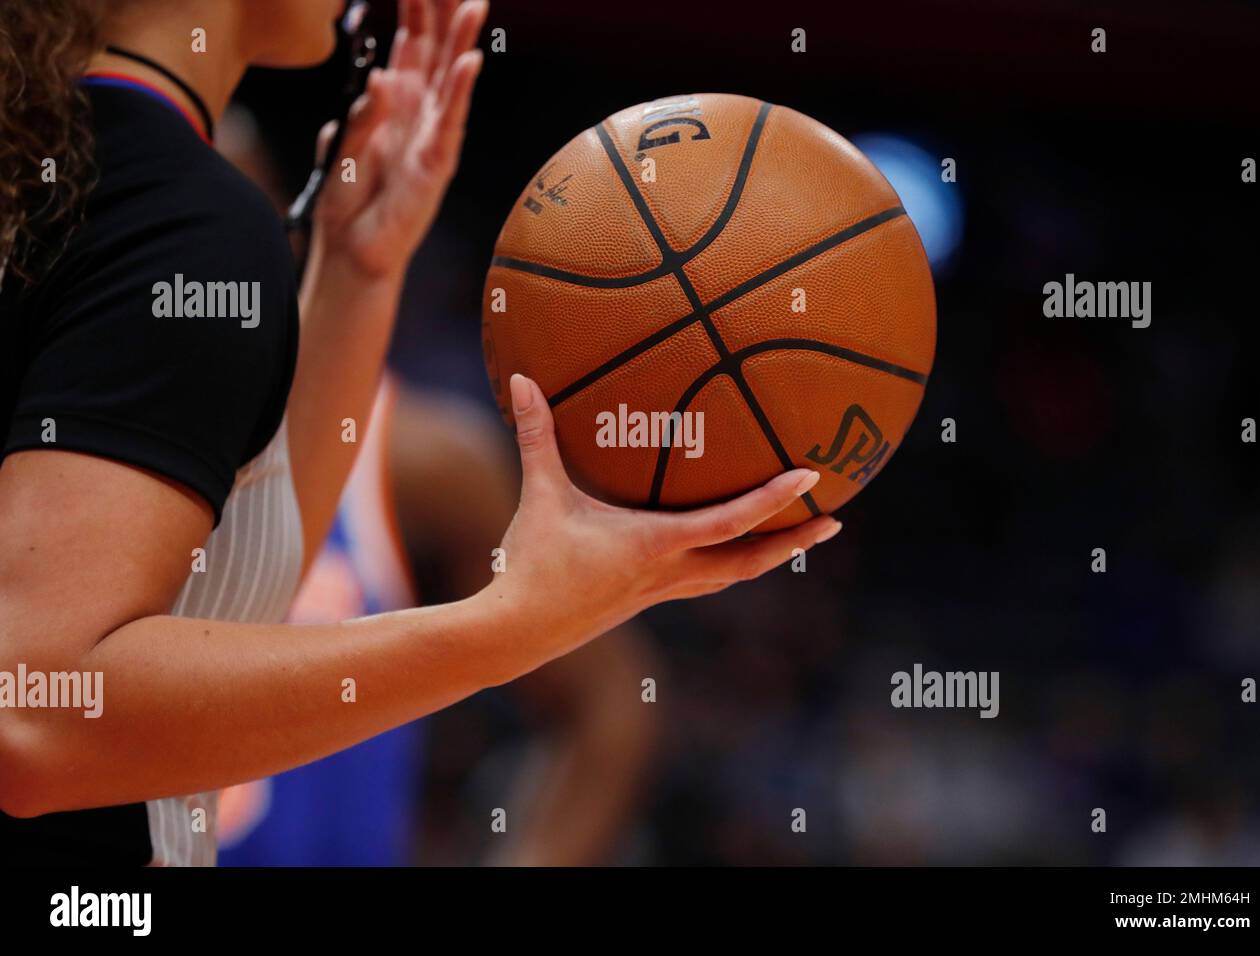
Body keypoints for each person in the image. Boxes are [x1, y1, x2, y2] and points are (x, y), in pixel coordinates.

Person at [0, 0, 840, 866]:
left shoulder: (68, 172)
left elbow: (219, 584)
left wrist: (357, 272)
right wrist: (509, 627)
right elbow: (34, 713)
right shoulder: (172, 212)